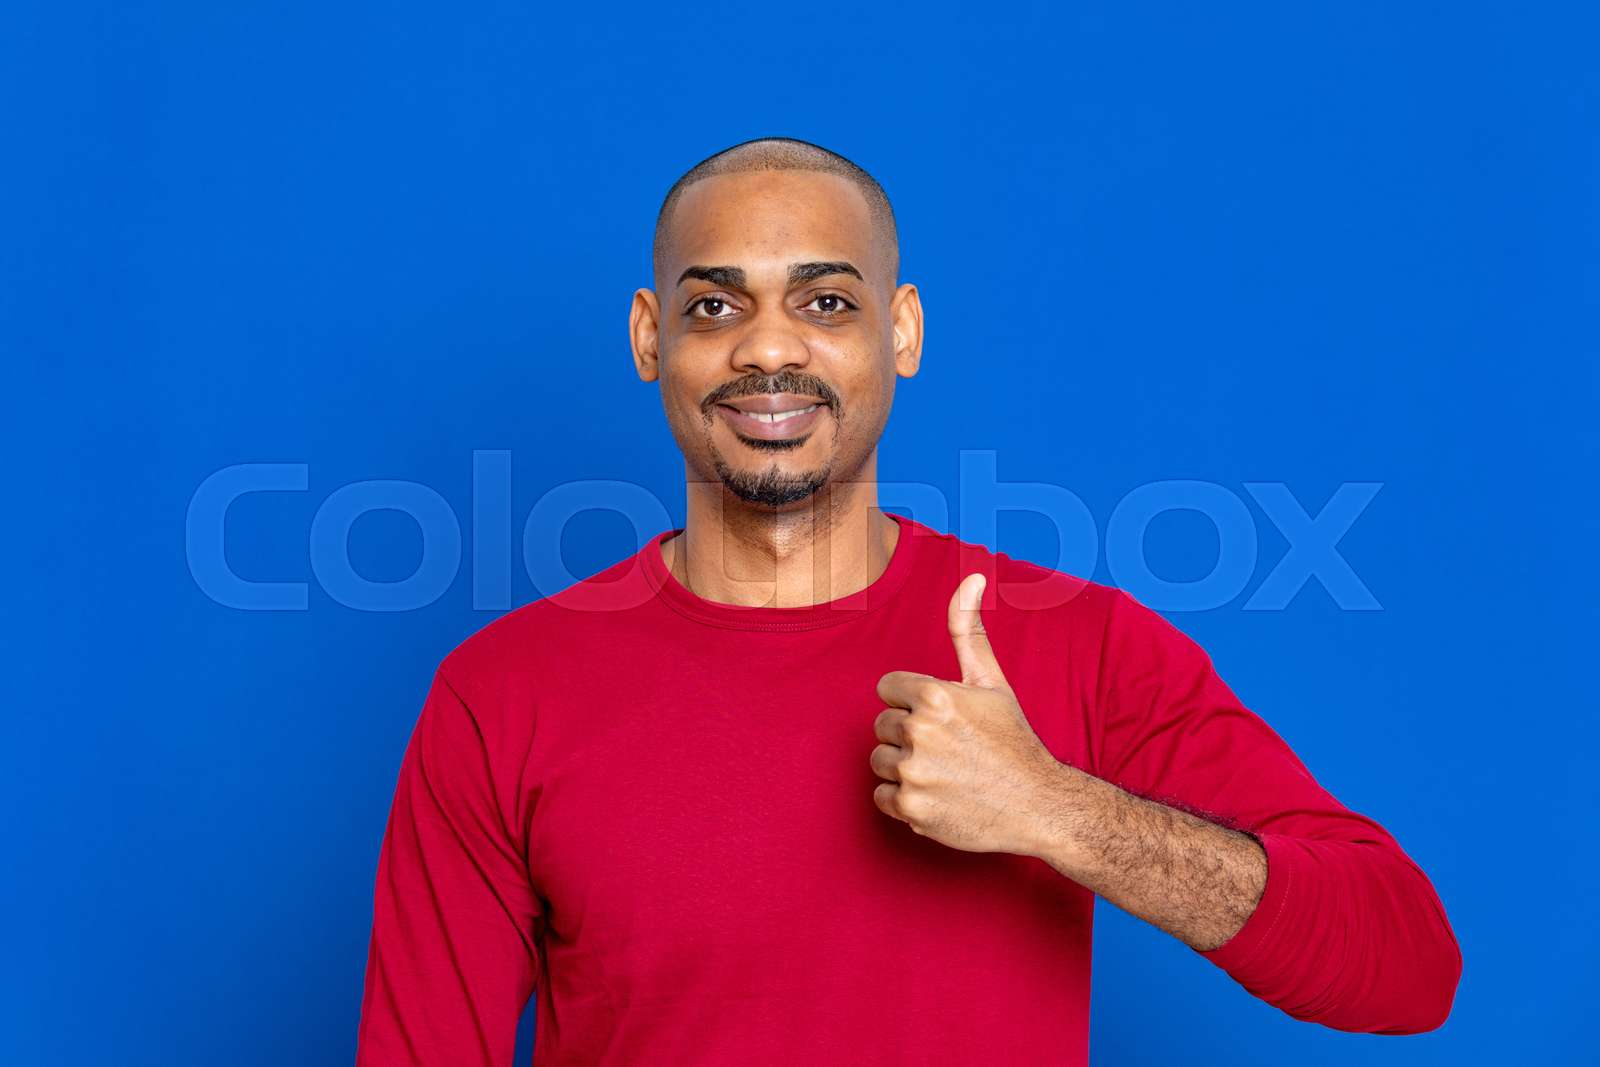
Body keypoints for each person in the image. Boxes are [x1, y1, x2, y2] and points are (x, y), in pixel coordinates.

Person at [354, 137, 1461, 1065]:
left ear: (903, 331)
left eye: (826, 300)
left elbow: (1405, 964)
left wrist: (1057, 810)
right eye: (715, 304)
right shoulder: (503, 692)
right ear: (652, 339)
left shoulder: (1079, 644)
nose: (770, 346)